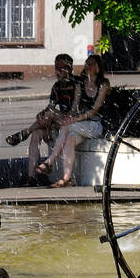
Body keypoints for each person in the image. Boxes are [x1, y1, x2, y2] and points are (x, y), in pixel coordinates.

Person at [37, 53, 110, 187]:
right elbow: (75, 107)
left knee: (68, 127)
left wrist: (73, 120)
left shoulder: (103, 84)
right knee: (70, 138)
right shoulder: (79, 84)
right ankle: (66, 178)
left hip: (96, 125)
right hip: (81, 125)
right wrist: (69, 117)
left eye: (91, 63)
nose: (88, 65)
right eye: (86, 63)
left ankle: (50, 161)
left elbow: (94, 110)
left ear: (98, 68)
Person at [5, 54, 78, 183]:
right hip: (59, 122)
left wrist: (49, 115)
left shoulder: (77, 84)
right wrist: (42, 115)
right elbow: (50, 107)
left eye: (62, 68)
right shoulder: (57, 86)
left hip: (73, 123)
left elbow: (74, 111)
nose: (58, 71)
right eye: (56, 67)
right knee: (36, 134)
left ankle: (24, 133)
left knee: (50, 113)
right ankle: (31, 176)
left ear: (70, 68)